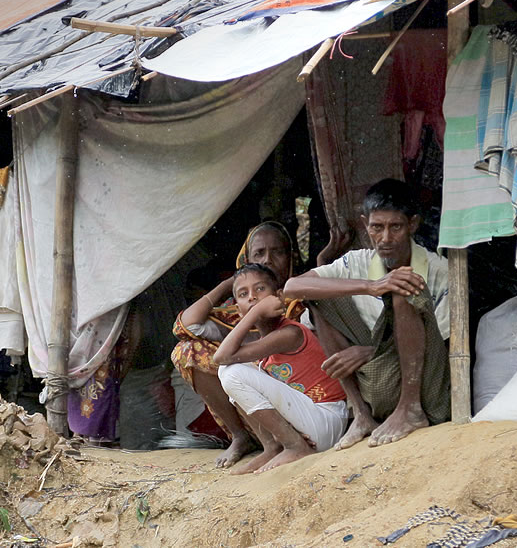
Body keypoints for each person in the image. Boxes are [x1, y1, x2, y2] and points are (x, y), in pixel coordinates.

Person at [284, 178, 449, 449]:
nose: (385, 238)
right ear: (365, 225)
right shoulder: (357, 262)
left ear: (413, 225)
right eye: (377, 227)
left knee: (403, 282)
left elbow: (439, 343)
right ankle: (361, 414)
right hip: (378, 383)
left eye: (395, 227)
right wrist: (370, 286)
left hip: (427, 387)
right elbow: (292, 287)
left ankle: (410, 410)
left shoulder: (439, 270)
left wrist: (369, 351)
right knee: (318, 297)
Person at [171, 222, 306, 468]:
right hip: (257, 415)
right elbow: (185, 327)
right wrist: (234, 282)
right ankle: (242, 437)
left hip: (300, 410)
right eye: (259, 254)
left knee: (238, 366)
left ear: (291, 256)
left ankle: (286, 442)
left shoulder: (302, 300)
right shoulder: (237, 310)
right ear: (245, 259)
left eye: (277, 252)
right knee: (186, 352)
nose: (268, 260)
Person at [213, 264, 348, 474]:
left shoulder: (290, 333)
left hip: (326, 420)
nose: (252, 298)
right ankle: (272, 447)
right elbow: (223, 358)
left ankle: (295, 447)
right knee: (232, 370)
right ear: (237, 307)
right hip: (310, 423)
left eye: (260, 289)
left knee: (230, 372)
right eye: (243, 294)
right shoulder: (265, 343)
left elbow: (222, 357)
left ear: (278, 297)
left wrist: (254, 312)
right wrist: (254, 312)